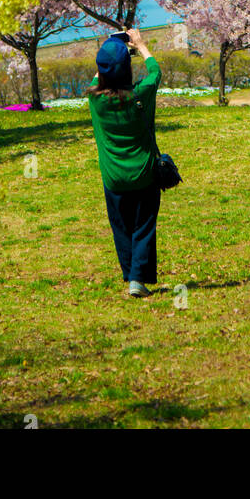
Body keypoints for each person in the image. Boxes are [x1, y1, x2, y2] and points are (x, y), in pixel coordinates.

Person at [87, 27, 162, 298]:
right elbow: (155, 72)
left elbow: (99, 74)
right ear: (127, 69)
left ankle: (130, 273)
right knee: (143, 225)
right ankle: (137, 280)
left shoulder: (95, 99)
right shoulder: (140, 94)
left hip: (113, 178)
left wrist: (111, 45)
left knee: (122, 227)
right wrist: (139, 46)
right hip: (144, 173)